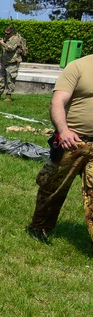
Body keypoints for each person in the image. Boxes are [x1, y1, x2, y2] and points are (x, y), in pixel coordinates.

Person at [27, 54, 93, 247]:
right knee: (52, 188)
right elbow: (57, 102)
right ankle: (39, 227)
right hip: (72, 142)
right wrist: (64, 131)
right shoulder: (78, 67)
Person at [0, 25, 25, 101]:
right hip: (4, 62)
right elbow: (3, 52)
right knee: (1, 79)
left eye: (8, 33)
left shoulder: (16, 39)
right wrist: (1, 61)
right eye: (5, 33)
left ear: (12, 33)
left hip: (12, 62)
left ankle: (8, 96)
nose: (6, 35)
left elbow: (10, 48)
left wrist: (2, 43)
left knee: (10, 80)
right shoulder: (6, 39)